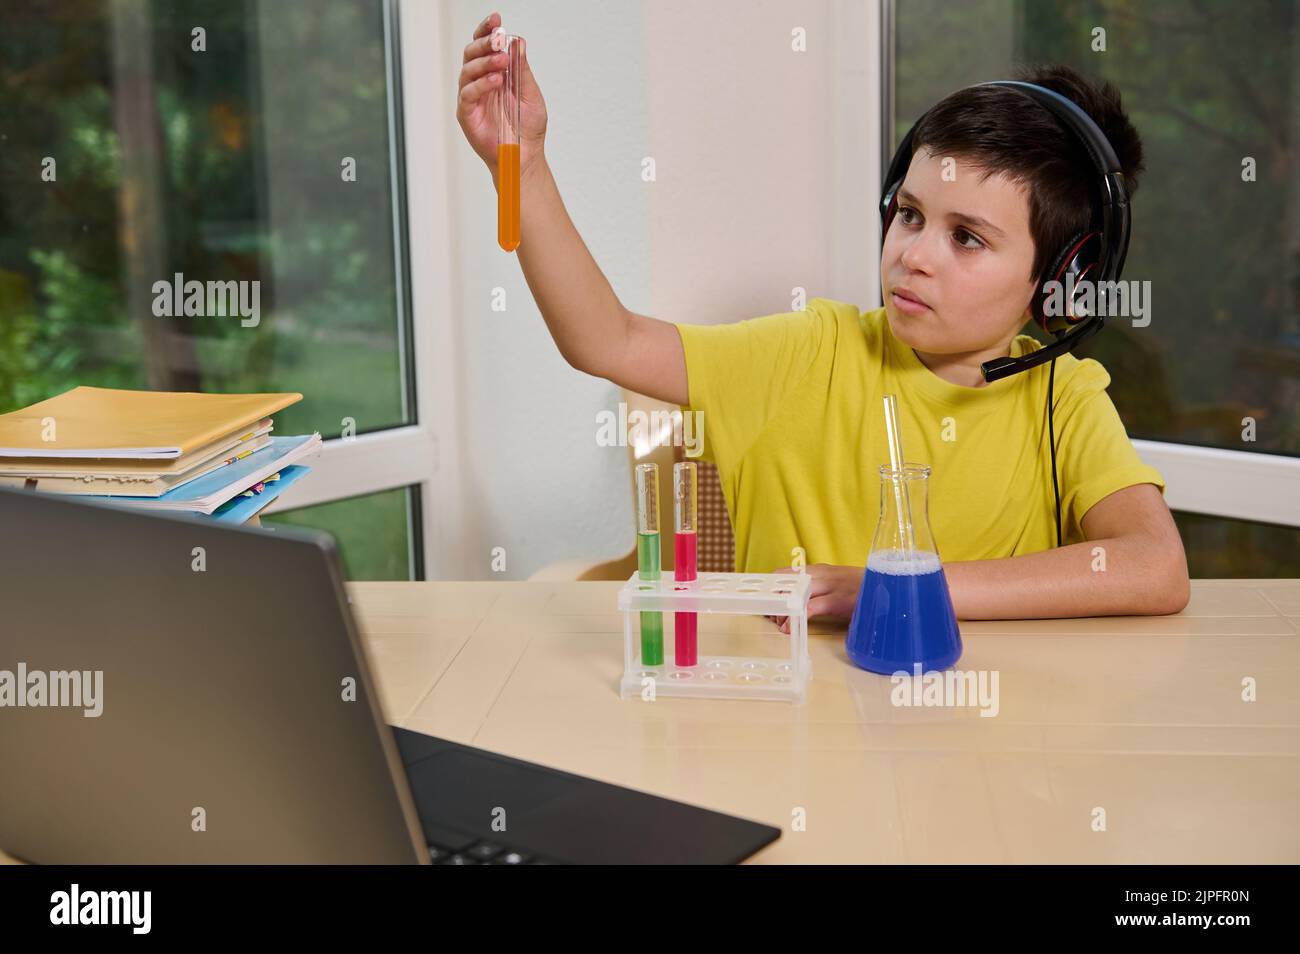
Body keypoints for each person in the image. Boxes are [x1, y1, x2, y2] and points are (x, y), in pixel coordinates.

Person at [455, 12, 1190, 624]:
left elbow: (1154, 566)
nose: (914, 255)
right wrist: (521, 169)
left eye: (966, 237)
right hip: (782, 737)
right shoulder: (811, 350)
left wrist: (900, 588)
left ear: (1060, 281)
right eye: (908, 215)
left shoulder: (1064, 398)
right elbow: (602, 339)